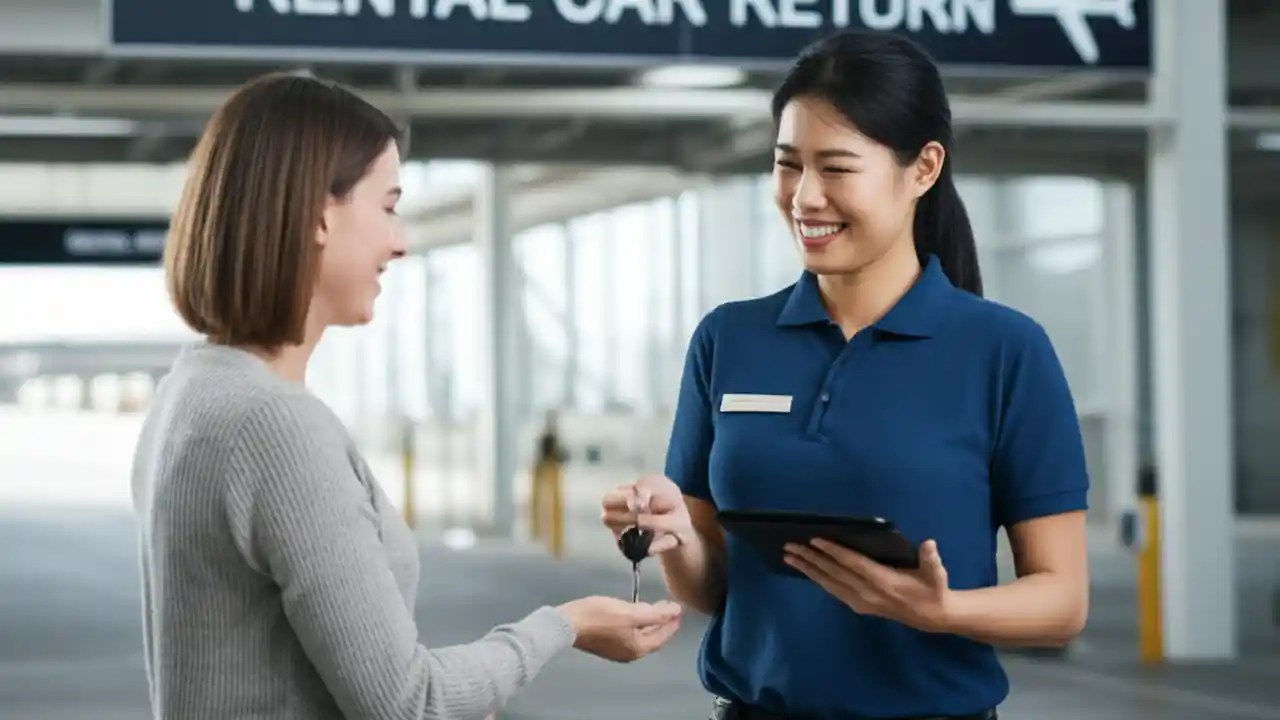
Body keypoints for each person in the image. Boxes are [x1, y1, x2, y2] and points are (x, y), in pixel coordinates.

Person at [129, 72, 681, 720]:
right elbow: (409, 701)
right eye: (388, 205)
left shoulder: (189, 392)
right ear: (317, 215)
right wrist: (563, 625)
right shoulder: (274, 427)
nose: (401, 239)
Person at [602, 30, 1089, 720]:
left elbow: (1062, 602)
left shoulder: (1004, 351)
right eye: (788, 165)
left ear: (922, 169)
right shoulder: (728, 340)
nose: (804, 197)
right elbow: (714, 592)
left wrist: (942, 610)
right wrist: (676, 532)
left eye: (836, 168)